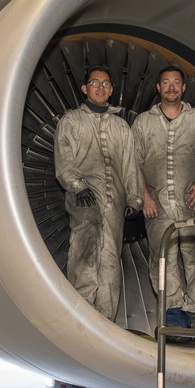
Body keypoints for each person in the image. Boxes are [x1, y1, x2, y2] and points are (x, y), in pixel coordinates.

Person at [54, 66, 144, 319]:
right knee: (85, 250)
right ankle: (81, 315)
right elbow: (64, 159)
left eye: (106, 84)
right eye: (95, 83)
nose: (101, 87)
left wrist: (134, 198)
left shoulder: (121, 126)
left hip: (114, 201)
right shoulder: (71, 121)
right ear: (85, 88)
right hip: (84, 196)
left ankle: (105, 320)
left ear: (111, 90)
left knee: (110, 260)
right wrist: (77, 186)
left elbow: (129, 164)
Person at [132, 66, 195, 330]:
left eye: (176, 83)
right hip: (158, 203)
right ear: (158, 88)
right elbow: (134, 163)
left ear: (183, 88)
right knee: (163, 257)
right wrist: (145, 197)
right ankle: (173, 311)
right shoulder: (143, 122)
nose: (171, 87)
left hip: (193, 202)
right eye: (165, 82)